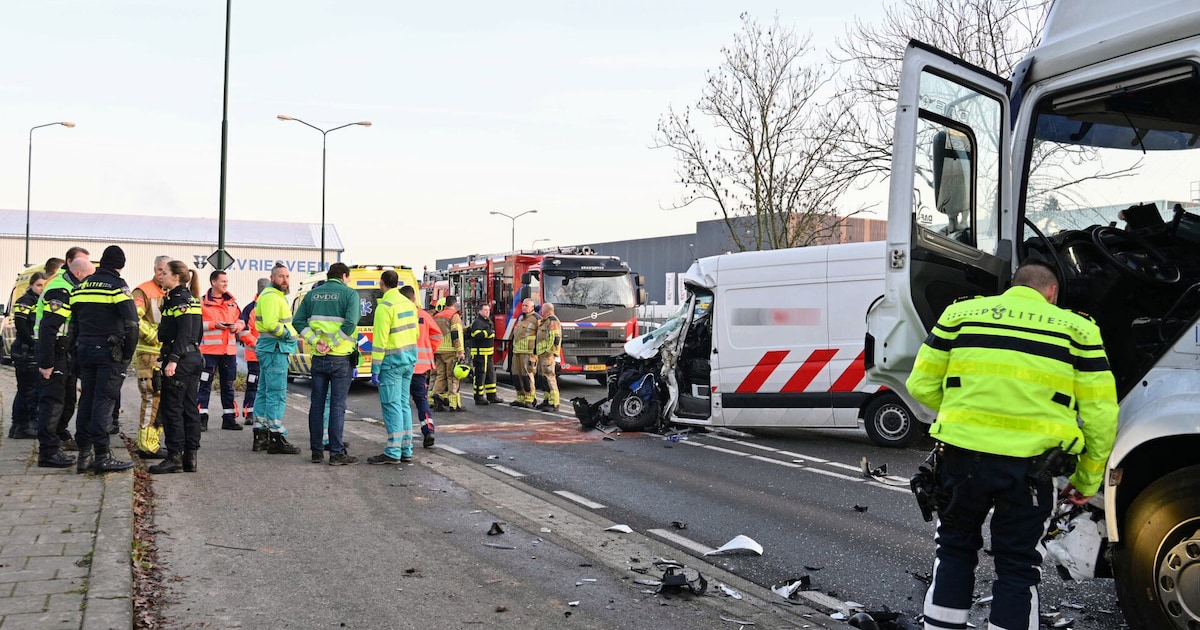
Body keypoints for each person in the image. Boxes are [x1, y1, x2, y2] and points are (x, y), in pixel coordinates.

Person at [905, 261, 1119, 630]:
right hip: (1031, 468)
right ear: (1052, 293)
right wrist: (1086, 479)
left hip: (960, 460)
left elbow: (920, 385)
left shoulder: (959, 314)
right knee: (1018, 565)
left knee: (954, 550)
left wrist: (969, 411)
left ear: (1012, 286)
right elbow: (1101, 415)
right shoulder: (1079, 330)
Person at [68, 245, 137, 474]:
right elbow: (132, 325)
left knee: (86, 400)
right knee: (104, 402)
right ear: (121, 265)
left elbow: (73, 326)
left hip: (84, 350)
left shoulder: (82, 286)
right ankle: (102, 455)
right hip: (109, 353)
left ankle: (84, 455)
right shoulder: (118, 287)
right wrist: (126, 355)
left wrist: (74, 354)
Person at [293, 262, 359, 465]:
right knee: (337, 406)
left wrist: (315, 341)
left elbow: (298, 322)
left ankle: (316, 451)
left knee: (317, 405)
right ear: (345, 276)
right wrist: (331, 344)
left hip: (318, 358)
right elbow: (350, 324)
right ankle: (337, 453)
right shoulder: (350, 294)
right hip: (340, 358)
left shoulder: (313, 294)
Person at [35, 247, 92, 468]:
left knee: (68, 400)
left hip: (65, 352)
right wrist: (46, 363)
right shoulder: (60, 290)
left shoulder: (72, 287)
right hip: (54, 352)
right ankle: (47, 452)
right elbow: (49, 328)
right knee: (52, 402)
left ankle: (58, 438)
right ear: (77, 273)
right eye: (88, 277)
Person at [149, 262, 204, 474]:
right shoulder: (186, 297)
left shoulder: (180, 299)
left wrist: (172, 359)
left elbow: (185, 332)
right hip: (192, 358)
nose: (161, 275)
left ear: (177, 277)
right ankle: (190, 457)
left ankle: (174, 457)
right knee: (189, 408)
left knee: (173, 409)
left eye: (165, 273)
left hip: (181, 360)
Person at [367, 271, 419, 464]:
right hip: (409, 360)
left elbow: (380, 340)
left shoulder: (385, 306)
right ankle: (406, 447)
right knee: (404, 404)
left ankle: (393, 450)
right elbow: (416, 332)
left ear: (382, 283)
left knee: (391, 405)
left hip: (391, 362)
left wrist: (375, 367)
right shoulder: (409, 304)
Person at [253, 263, 302, 455]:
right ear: (272, 278)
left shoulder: (268, 295)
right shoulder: (273, 297)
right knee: (277, 393)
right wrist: (288, 335)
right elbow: (272, 324)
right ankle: (275, 436)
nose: (285, 280)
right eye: (281, 276)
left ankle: (260, 434)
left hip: (268, 348)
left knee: (264, 391)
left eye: (287, 276)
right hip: (276, 349)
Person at [132, 256, 170, 459]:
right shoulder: (143, 291)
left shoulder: (170, 292)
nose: (162, 274)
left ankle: (152, 441)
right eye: (159, 270)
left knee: (161, 400)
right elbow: (134, 319)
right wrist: (155, 336)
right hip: (149, 354)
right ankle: (146, 445)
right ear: (154, 269)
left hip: (163, 355)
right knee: (151, 398)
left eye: (166, 271)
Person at [198, 270, 245, 431]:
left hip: (228, 352)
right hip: (209, 352)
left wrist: (236, 327)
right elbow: (196, 325)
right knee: (204, 385)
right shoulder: (202, 302)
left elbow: (241, 321)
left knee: (228, 385)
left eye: (226, 281)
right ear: (213, 282)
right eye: (222, 281)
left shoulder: (232, 303)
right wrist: (214, 325)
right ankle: (201, 418)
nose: (226, 284)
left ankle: (229, 419)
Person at [400, 285, 440, 448]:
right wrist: (429, 350)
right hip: (421, 366)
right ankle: (428, 429)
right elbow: (437, 335)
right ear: (414, 298)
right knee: (421, 399)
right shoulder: (423, 315)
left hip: (402, 364)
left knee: (401, 401)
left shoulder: (400, 315)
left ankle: (403, 436)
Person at [9, 272, 48, 439]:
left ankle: (19, 425)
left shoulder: (42, 302)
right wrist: (35, 344)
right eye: (39, 285)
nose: (41, 288)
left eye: (44, 285)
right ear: (31, 285)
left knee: (29, 389)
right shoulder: (25, 301)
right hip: (25, 351)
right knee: (28, 390)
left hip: (32, 351)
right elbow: (22, 326)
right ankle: (24, 425)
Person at [237, 278, 270, 426]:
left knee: (267, 387)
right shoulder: (250, 309)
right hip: (255, 355)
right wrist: (258, 344)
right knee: (253, 384)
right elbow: (243, 332)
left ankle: (262, 414)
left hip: (268, 355)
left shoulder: (271, 306)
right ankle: (249, 413)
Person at [430, 296, 465, 412]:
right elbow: (456, 334)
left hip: (438, 350)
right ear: (454, 304)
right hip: (450, 350)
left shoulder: (437, 316)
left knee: (440, 375)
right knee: (452, 377)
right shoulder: (454, 316)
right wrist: (460, 351)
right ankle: (454, 404)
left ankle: (436, 396)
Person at [466, 303, 503, 405]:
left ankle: (492, 396)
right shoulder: (478, 322)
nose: (487, 311)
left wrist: (490, 332)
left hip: (488, 354)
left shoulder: (487, 321)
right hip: (480, 355)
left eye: (488, 310)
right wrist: (489, 333)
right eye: (485, 310)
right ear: (480, 311)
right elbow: (476, 335)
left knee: (490, 375)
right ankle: (479, 397)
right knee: (480, 376)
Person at [509, 298, 540, 409]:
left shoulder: (536, 319)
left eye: (527, 305)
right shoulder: (521, 318)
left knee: (527, 376)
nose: (524, 307)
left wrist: (536, 350)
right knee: (516, 375)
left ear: (532, 307)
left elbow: (541, 335)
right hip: (517, 351)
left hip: (529, 352)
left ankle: (530, 399)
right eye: (523, 305)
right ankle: (520, 397)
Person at [534, 302, 562, 411]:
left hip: (547, 355)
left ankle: (554, 403)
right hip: (541, 354)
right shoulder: (545, 321)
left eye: (543, 310)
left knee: (550, 377)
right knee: (543, 378)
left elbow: (554, 338)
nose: (541, 312)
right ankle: (547, 399)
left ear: (548, 311)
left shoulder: (553, 321)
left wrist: (548, 351)